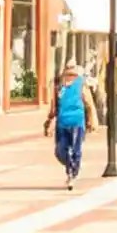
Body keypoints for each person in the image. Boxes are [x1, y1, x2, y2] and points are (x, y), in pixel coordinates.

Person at [45, 60, 98, 190]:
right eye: (68, 72)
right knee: (60, 151)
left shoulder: (81, 84)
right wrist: (49, 121)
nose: (70, 75)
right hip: (62, 123)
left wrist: (92, 120)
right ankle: (71, 166)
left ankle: (72, 173)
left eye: (72, 72)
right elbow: (54, 106)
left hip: (77, 122)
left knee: (76, 150)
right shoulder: (58, 85)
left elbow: (89, 103)